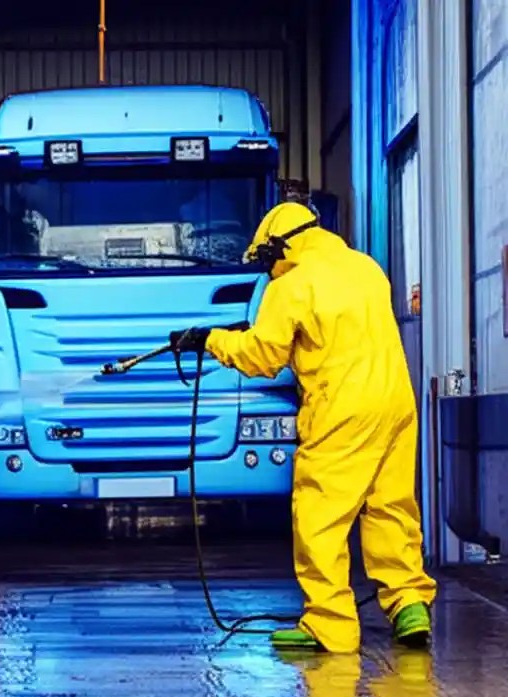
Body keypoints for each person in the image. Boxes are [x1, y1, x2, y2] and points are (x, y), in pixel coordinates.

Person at [169, 202, 437, 653]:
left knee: (319, 516)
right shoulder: (365, 266)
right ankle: (409, 602)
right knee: (390, 506)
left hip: (342, 408)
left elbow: (263, 355)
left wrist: (211, 339)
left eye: (268, 261)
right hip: (395, 401)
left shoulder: (291, 285)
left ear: (281, 247)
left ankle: (330, 624)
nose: (268, 271)